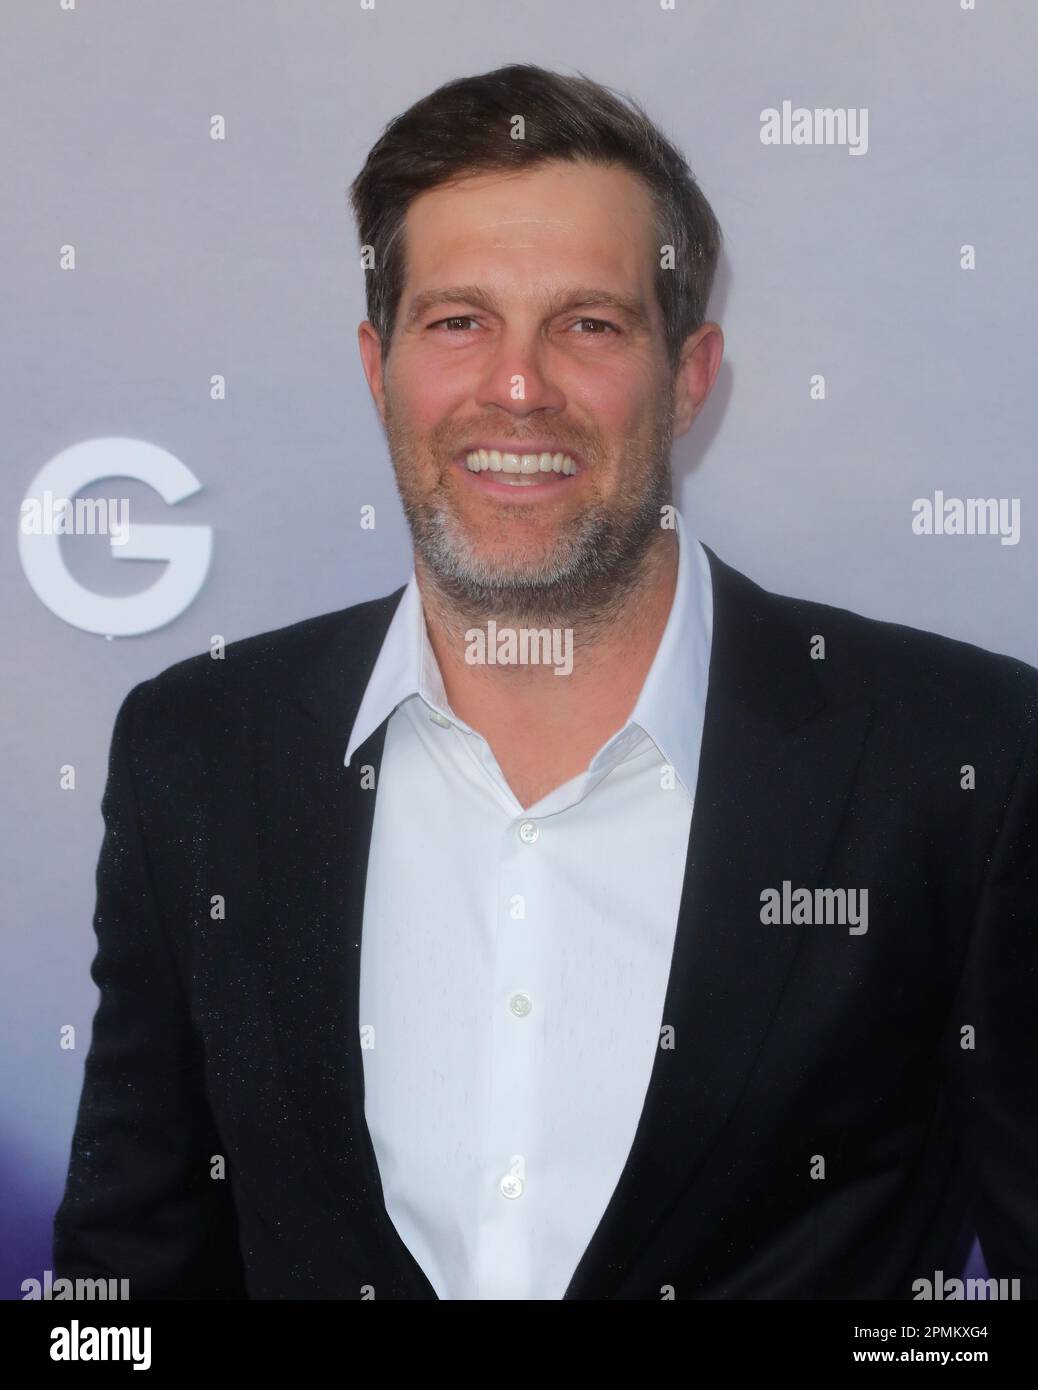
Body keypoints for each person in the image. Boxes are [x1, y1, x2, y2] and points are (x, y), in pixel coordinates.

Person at [54, 63, 1038, 1300]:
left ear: (691, 374)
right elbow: (126, 1287)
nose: (517, 388)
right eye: (459, 321)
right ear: (377, 364)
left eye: (589, 324)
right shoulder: (196, 753)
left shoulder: (962, 762)